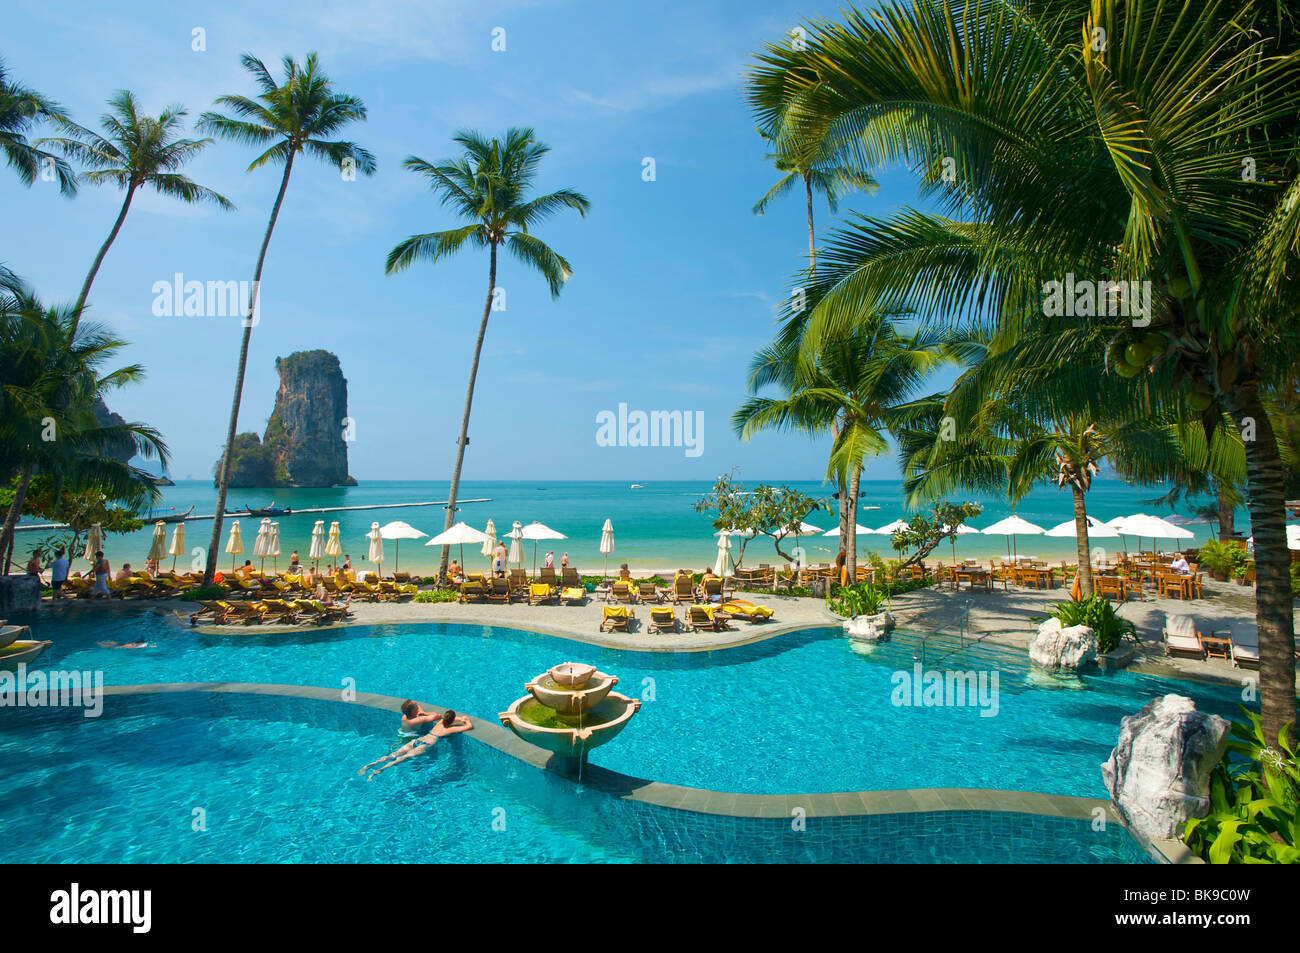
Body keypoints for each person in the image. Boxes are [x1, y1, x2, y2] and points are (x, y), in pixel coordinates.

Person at [358, 710, 473, 781]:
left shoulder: (440, 722)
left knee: (392, 755)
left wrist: (425, 713)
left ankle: (368, 766)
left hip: (418, 740)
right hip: (426, 745)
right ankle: (376, 772)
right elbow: (469, 727)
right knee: (400, 759)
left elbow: (438, 716)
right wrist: (466, 720)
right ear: (452, 720)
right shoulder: (449, 729)